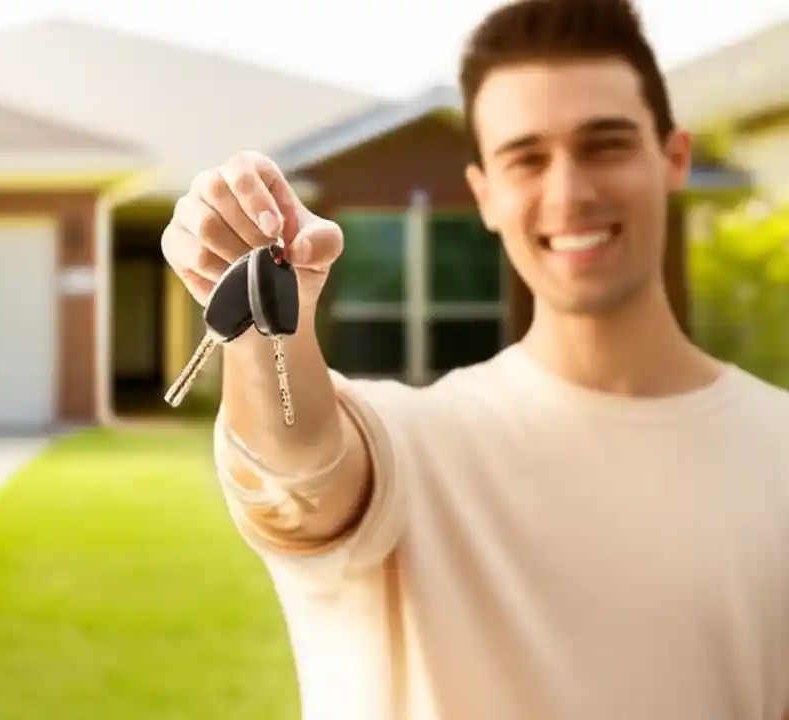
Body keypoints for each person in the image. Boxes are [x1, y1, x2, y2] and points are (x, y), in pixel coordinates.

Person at [160, 0, 789, 718]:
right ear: (485, 193)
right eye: (527, 158)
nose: (569, 193)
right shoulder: (414, 446)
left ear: (673, 158)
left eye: (605, 144)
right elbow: (299, 466)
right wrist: (266, 324)